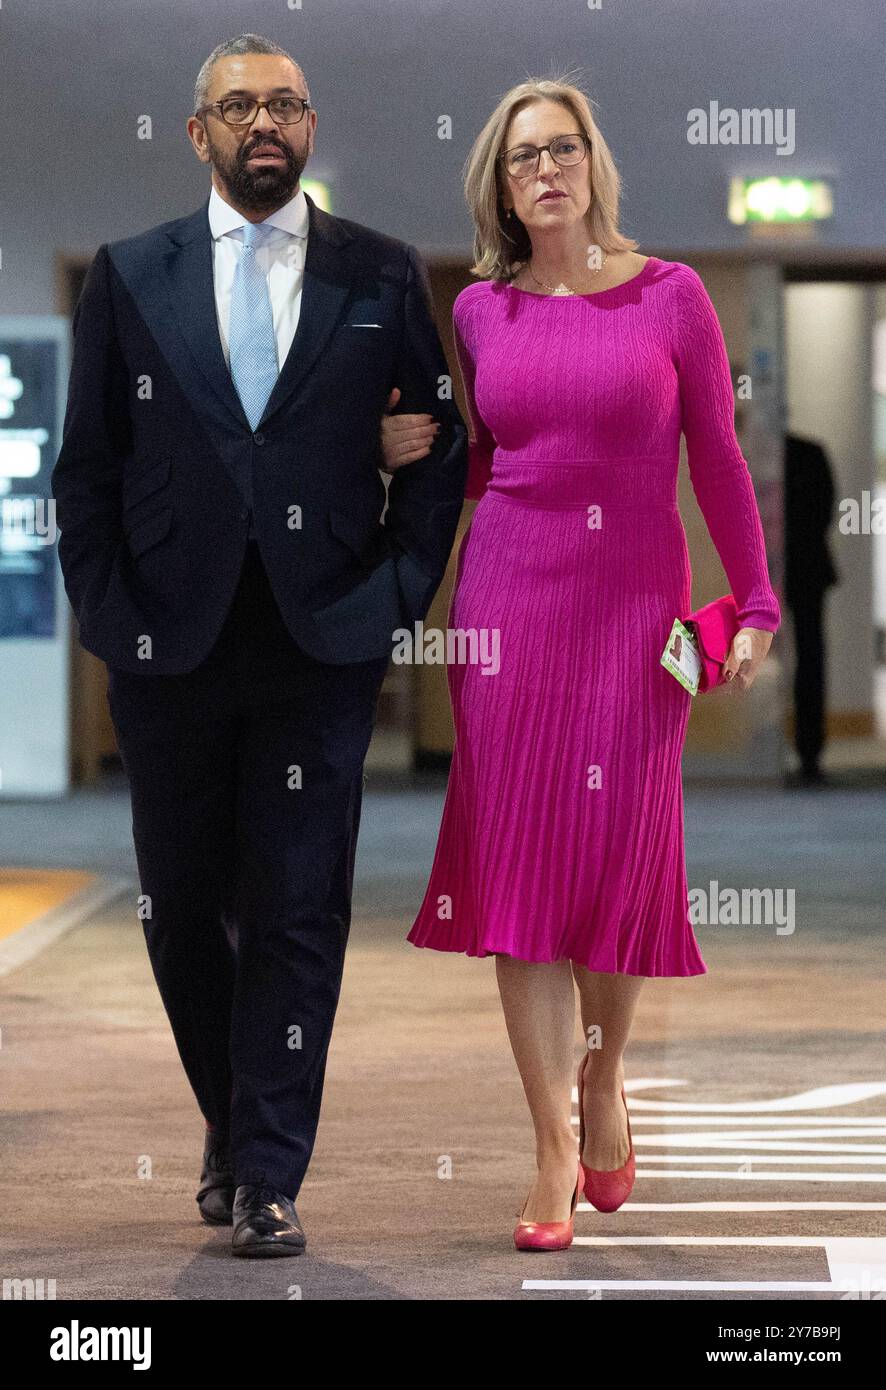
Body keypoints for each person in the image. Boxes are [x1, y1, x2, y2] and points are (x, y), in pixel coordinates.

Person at [51, 33, 467, 1258]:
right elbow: (87, 471)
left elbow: (436, 448)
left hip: (318, 643)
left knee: (296, 907)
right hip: (166, 648)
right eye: (241, 107)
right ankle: (235, 1123)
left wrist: (394, 595)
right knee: (180, 911)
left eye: (286, 103)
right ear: (199, 134)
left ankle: (270, 1168)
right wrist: (105, 610)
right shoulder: (131, 276)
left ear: (312, 125)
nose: (265, 123)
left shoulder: (381, 276)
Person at [382, 77, 780, 1251]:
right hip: (508, 607)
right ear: (500, 187)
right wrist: (390, 452)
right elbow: (477, 463)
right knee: (520, 884)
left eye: (560, 149)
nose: (544, 169)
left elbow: (716, 456)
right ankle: (552, 1141)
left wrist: (752, 602)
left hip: (631, 614)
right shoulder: (481, 315)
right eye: (520, 159)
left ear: (594, 162)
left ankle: (605, 1081)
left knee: (616, 861)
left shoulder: (674, 296)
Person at [783, 432, 839, 786]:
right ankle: (809, 752)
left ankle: (810, 750)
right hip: (805, 566)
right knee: (810, 657)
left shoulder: (806, 453)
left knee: (810, 659)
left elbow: (823, 512)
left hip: (802, 567)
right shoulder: (809, 453)